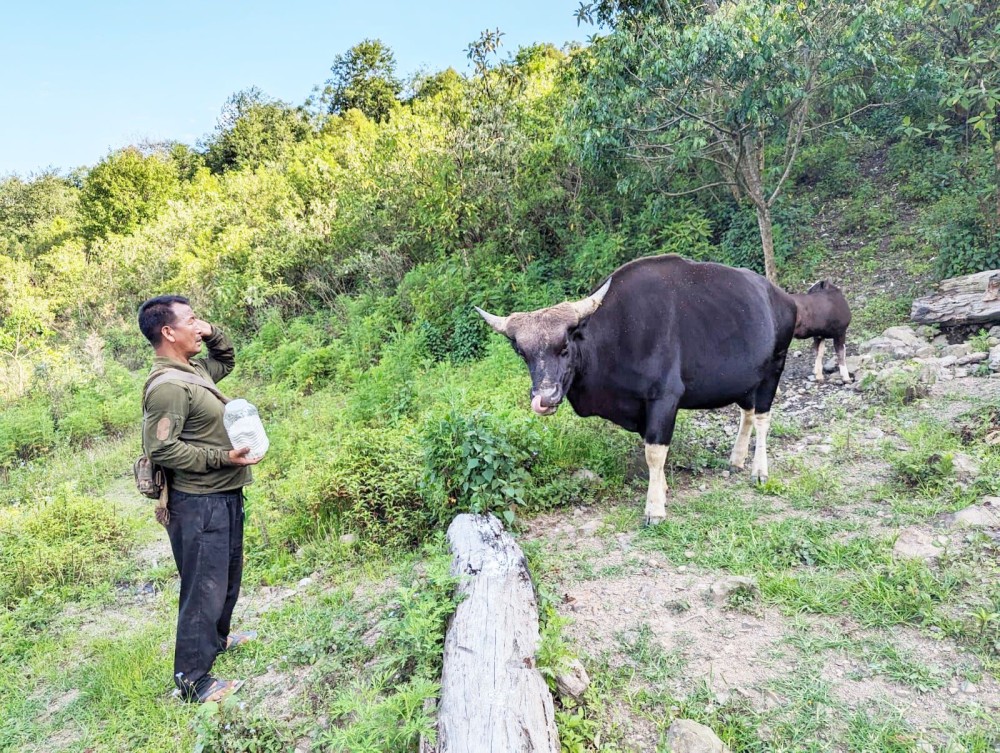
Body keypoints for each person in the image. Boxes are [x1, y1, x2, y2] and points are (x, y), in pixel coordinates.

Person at [138, 294, 261, 703]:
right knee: (203, 588)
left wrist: (212, 332)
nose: (199, 325)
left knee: (226, 576)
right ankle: (193, 681)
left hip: (223, 492)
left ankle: (218, 640)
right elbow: (162, 449)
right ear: (168, 332)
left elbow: (225, 360)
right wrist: (222, 457)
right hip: (198, 502)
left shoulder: (193, 371)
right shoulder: (169, 387)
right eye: (191, 320)